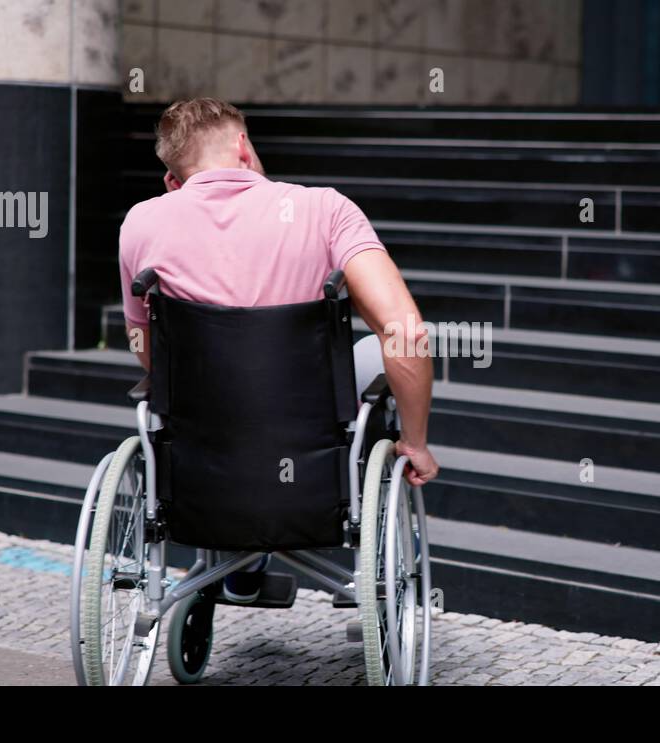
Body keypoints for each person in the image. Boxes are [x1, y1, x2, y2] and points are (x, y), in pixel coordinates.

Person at [118, 98, 438, 603]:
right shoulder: (326, 209)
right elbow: (406, 332)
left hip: (205, 455)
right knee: (378, 353)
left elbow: (145, 344)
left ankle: (240, 564)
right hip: (307, 442)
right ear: (243, 147)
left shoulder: (142, 222)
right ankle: (374, 535)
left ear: (173, 180)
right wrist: (415, 444)